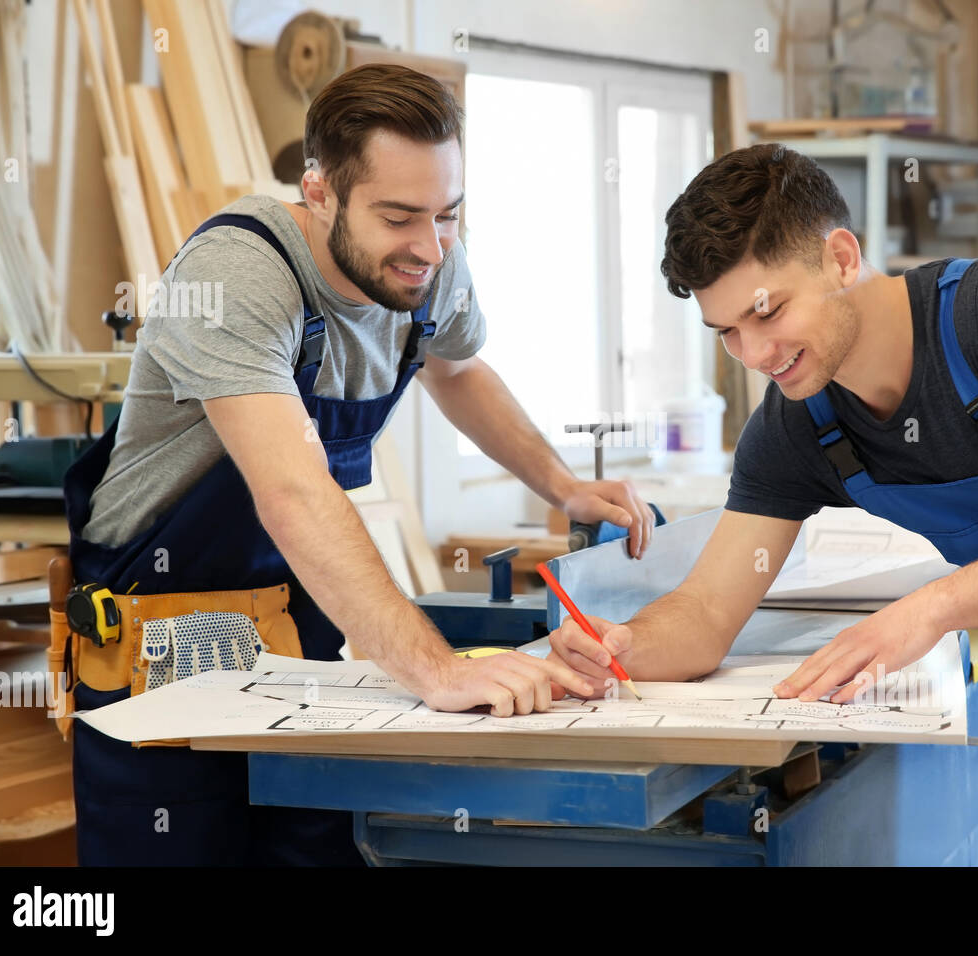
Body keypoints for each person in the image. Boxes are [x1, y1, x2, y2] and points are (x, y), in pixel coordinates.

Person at [547, 143, 978, 865]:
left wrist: (932, 608)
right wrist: (628, 645)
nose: (754, 351)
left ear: (841, 257)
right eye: (727, 330)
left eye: (767, 312)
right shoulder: (796, 427)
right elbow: (704, 614)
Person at [64, 64, 654, 865]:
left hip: (290, 627)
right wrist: (434, 667)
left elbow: (458, 368)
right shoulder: (238, 271)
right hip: (160, 637)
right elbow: (292, 493)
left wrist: (560, 483)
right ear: (319, 193)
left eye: (447, 213)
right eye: (399, 216)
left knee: (311, 848)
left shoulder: (434, 262)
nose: (430, 247)